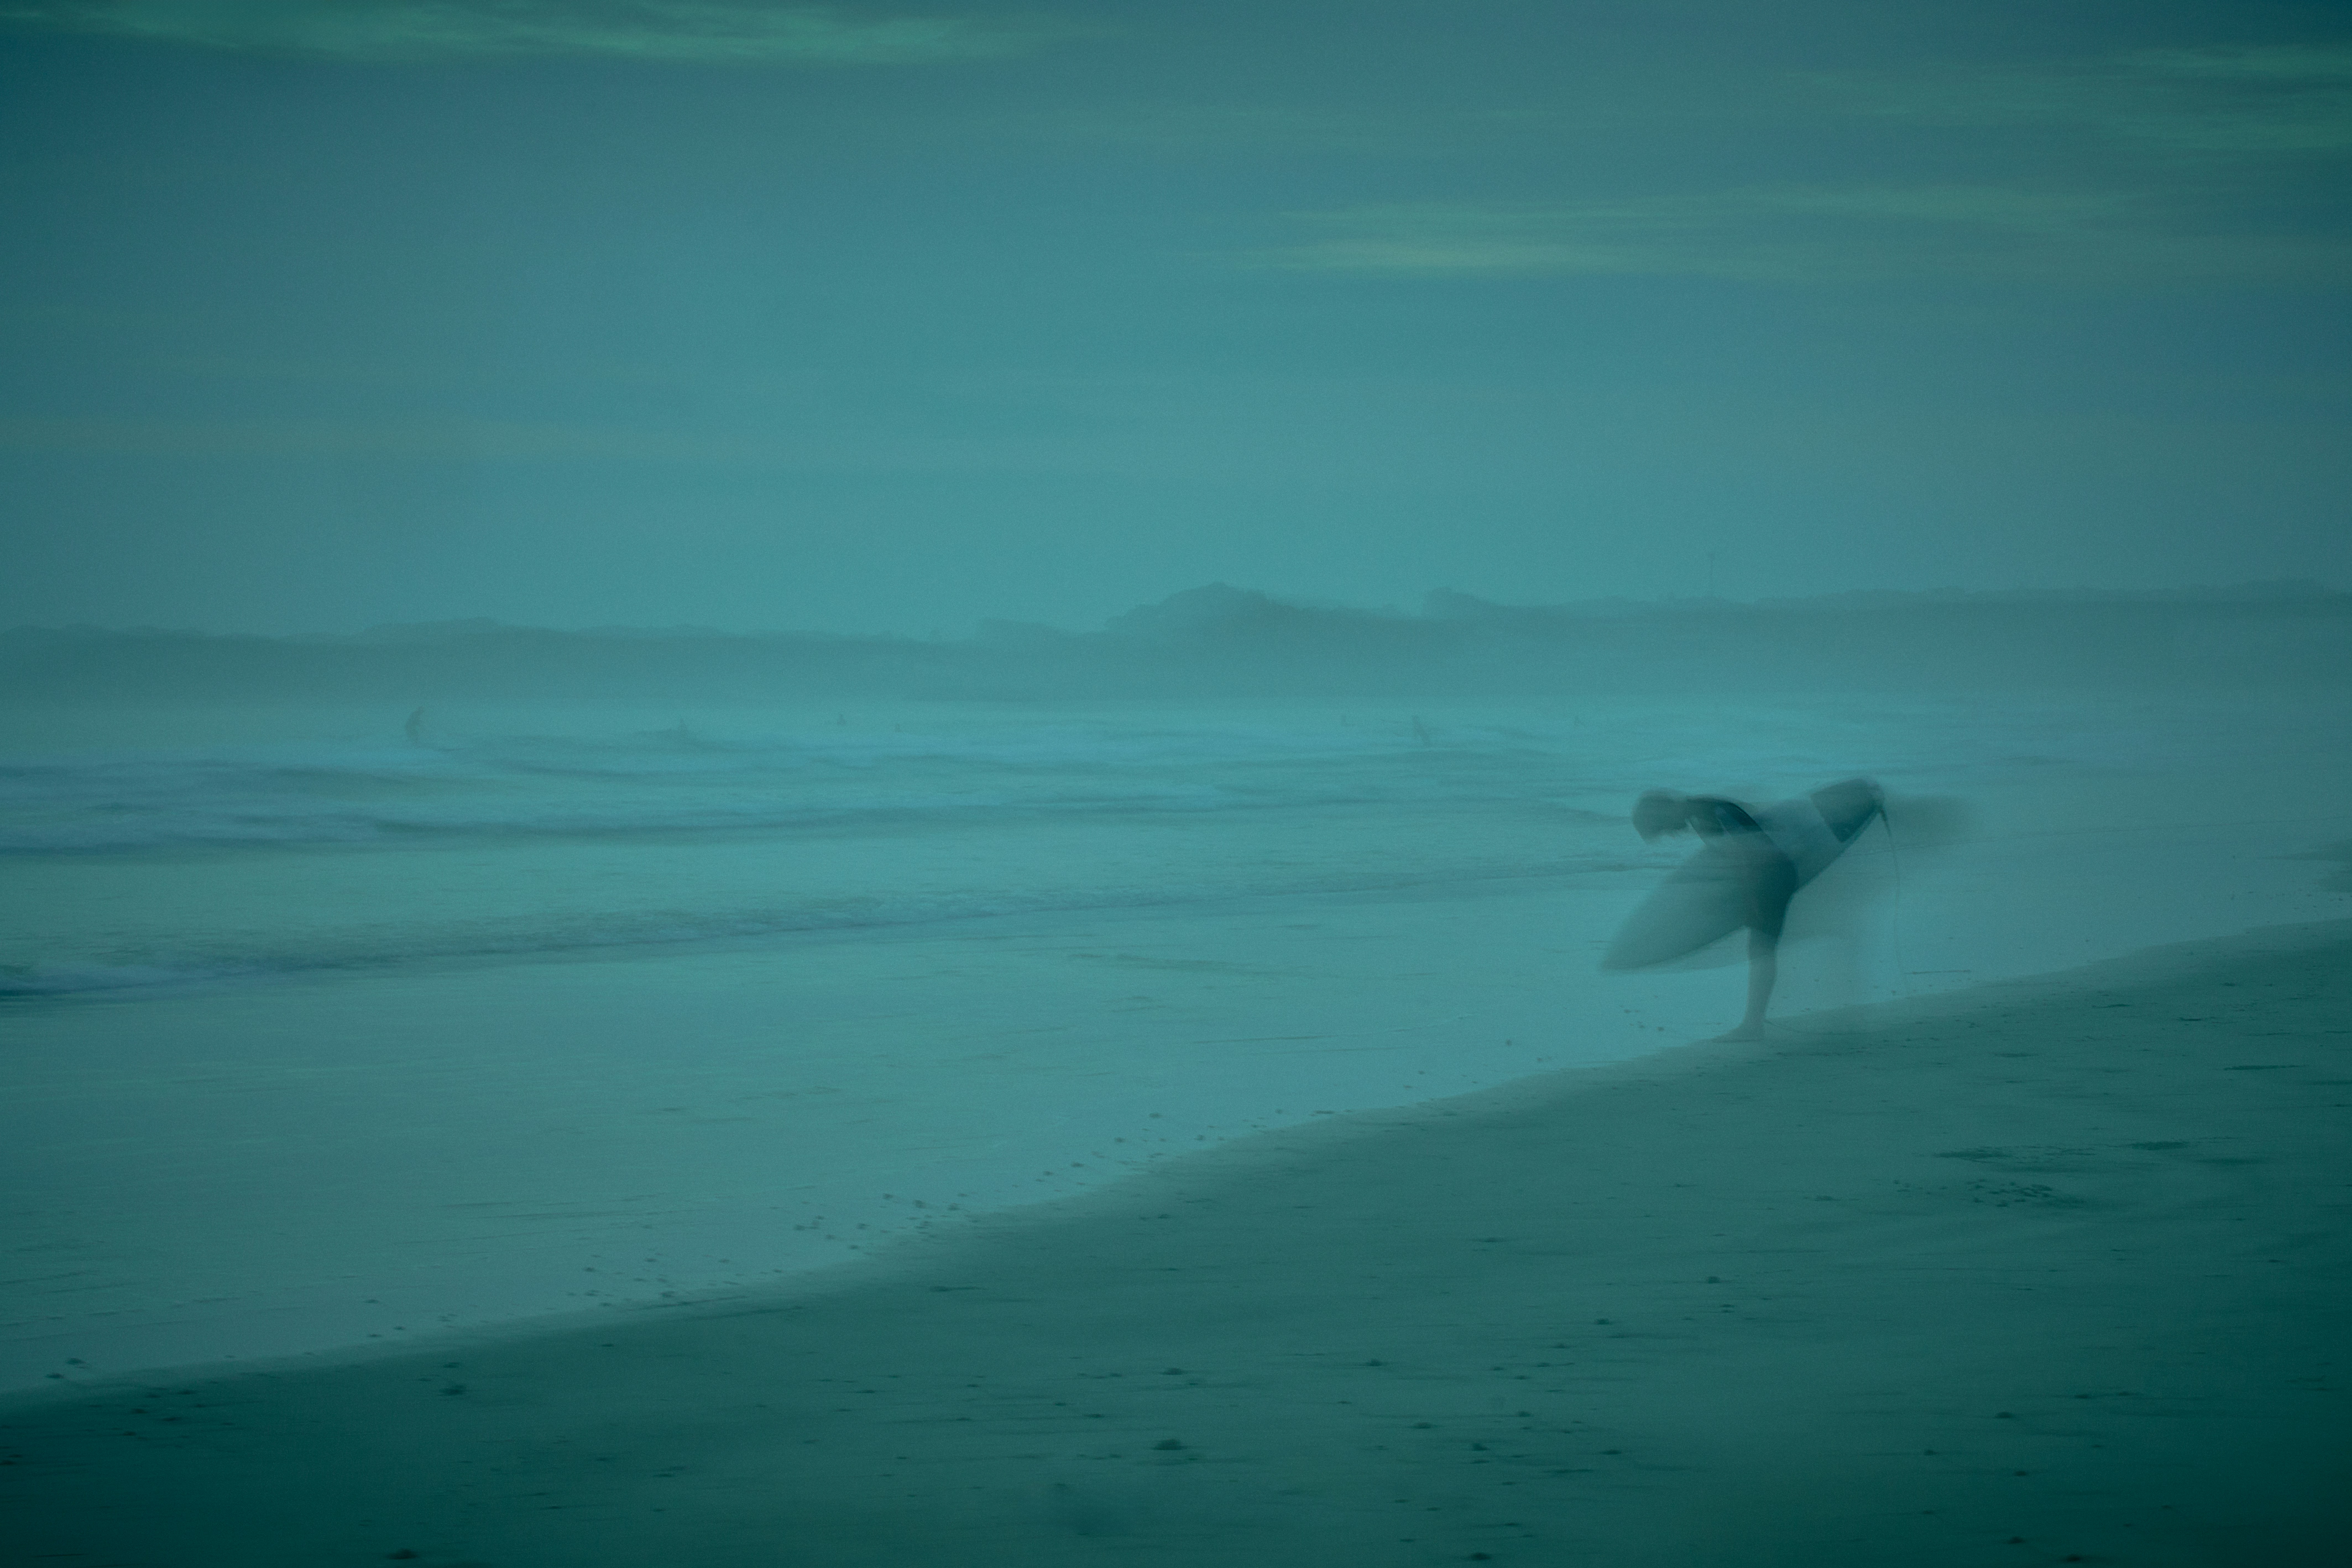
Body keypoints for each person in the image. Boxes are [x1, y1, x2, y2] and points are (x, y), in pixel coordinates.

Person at [1613, 779, 1884, 1041]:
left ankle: (1753, 1026)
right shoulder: (1706, 805)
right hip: (1774, 876)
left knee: (1761, 952)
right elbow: (1755, 822)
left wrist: (1746, 901)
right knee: (1763, 951)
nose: (1671, 834)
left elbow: (1755, 855)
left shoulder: (1704, 817)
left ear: (1664, 811)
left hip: (1771, 880)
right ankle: (1759, 1020)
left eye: (1663, 829)